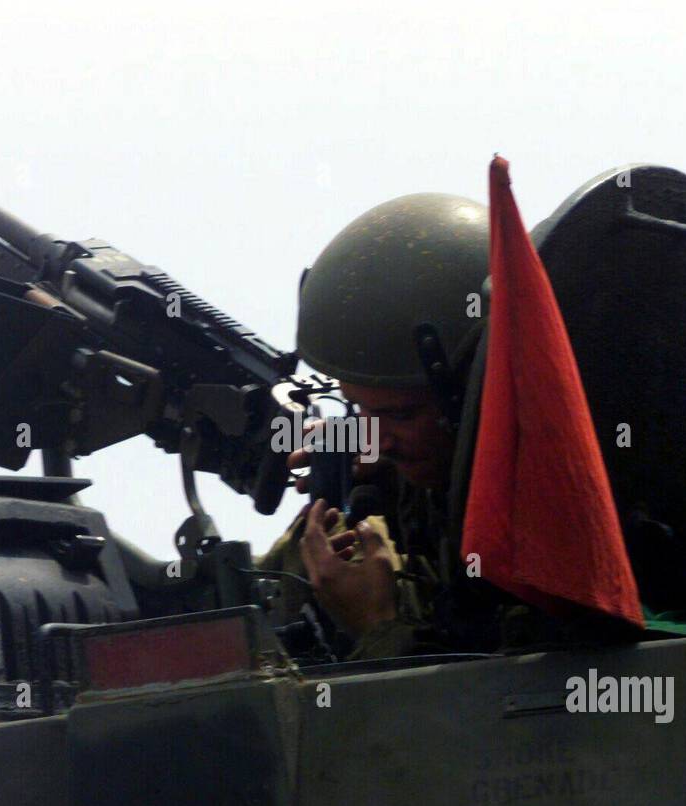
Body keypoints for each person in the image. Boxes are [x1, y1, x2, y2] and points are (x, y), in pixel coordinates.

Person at [259, 192, 637, 660]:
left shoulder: (553, 533)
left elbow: (496, 718)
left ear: (475, 391)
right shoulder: (435, 468)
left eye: (399, 414)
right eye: (359, 410)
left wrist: (375, 626)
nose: (373, 440)